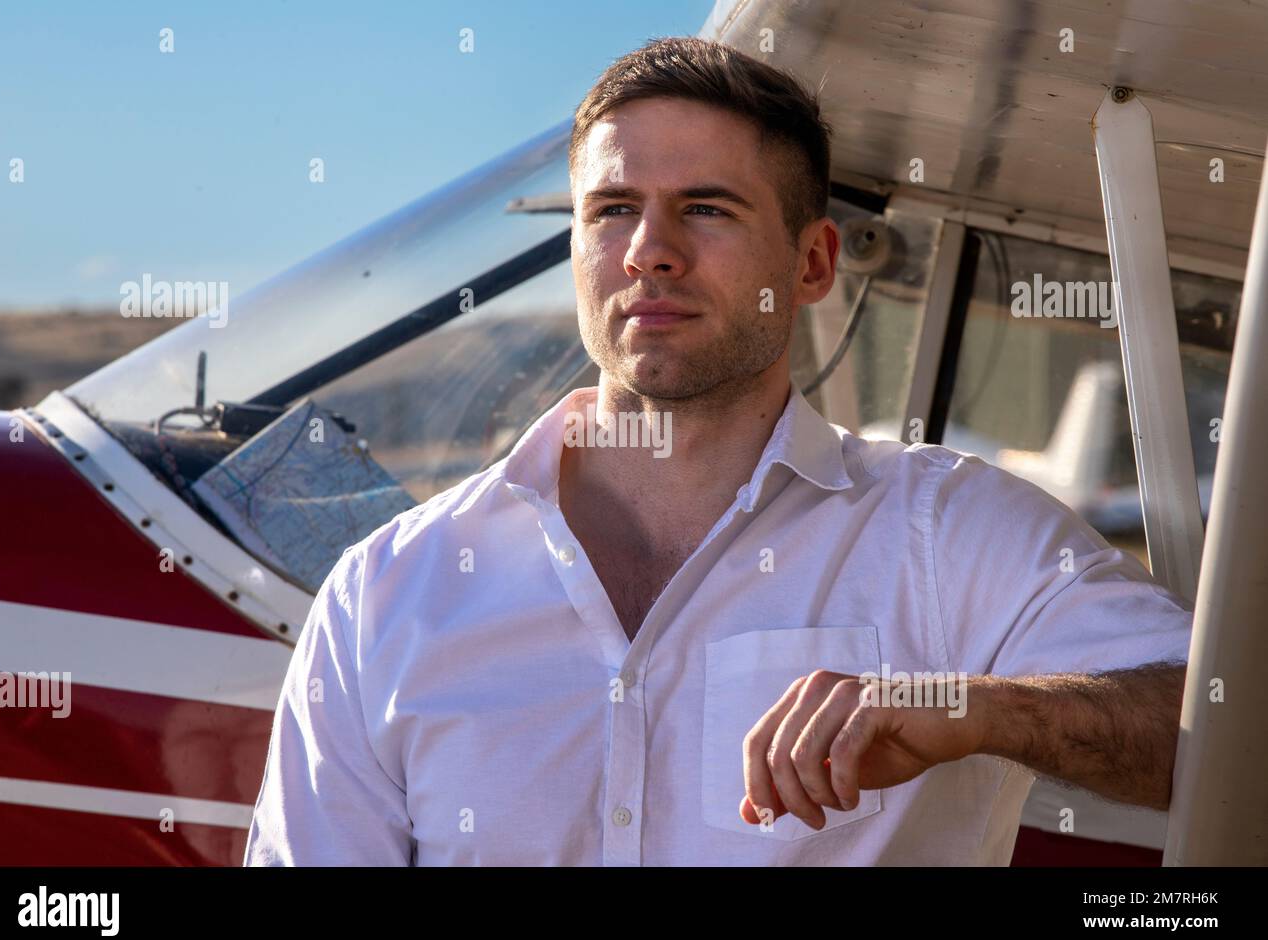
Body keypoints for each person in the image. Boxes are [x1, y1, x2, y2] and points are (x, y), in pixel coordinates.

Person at [244, 36, 1191, 866]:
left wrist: (981, 710)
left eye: (706, 208)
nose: (649, 251)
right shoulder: (385, 593)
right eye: (611, 208)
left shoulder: (953, 532)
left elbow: (1221, 724)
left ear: (813, 263)